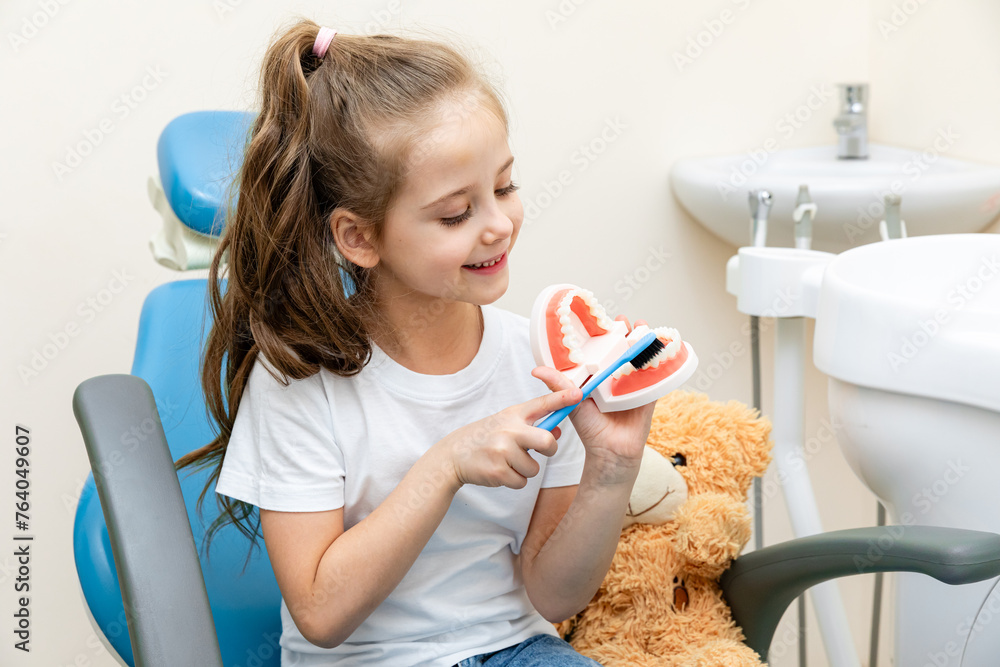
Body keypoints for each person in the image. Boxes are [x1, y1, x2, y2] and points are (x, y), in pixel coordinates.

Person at [176, 17, 657, 667]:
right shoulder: (300, 381)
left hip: (515, 648)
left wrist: (611, 469)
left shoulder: (538, 361)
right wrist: (446, 465)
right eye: (456, 213)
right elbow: (319, 614)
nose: (498, 224)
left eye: (505, 186)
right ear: (359, 237)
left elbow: (554, 594)